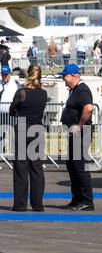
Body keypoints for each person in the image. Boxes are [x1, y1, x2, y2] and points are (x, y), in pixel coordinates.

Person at [10, 67, 48, 212]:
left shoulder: (21, 93)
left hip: (22, 127)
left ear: (28, 75)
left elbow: (12, 110)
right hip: (37, 129)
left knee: (21, 167)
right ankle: (38, 204)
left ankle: (20, 204)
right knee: (36, 168)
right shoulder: (43, 93)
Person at [57, 64, 94, 211]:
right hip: (74, 133)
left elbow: (88, 108)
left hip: (81, 133)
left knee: (79, 167)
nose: (63, 79)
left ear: (74, 76)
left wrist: (79, 125)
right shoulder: (74, 90)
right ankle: (77, 198)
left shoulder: (82, 89)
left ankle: (86, 201)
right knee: (72, 165)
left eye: (65, 76)